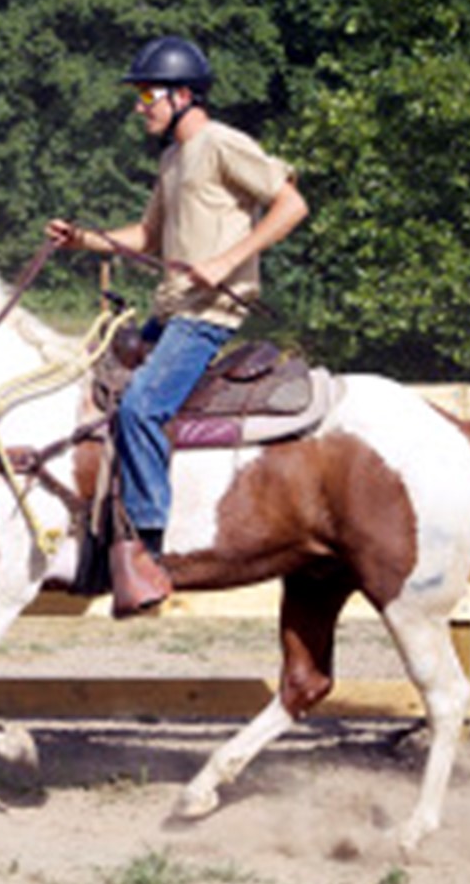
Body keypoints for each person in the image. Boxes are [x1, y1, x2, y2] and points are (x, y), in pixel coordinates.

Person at [47, 35, 309, 617]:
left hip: (207, 315)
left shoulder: (220, 143)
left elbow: (291, 205)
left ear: (184, 95)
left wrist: (225, 262)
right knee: (99, 392)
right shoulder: (172, 160)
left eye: (148, 93)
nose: (141, 105)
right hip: (171, 314)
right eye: (140, 95)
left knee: (142, 406)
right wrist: (85, 241)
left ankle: (149, 551)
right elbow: (146, 238)